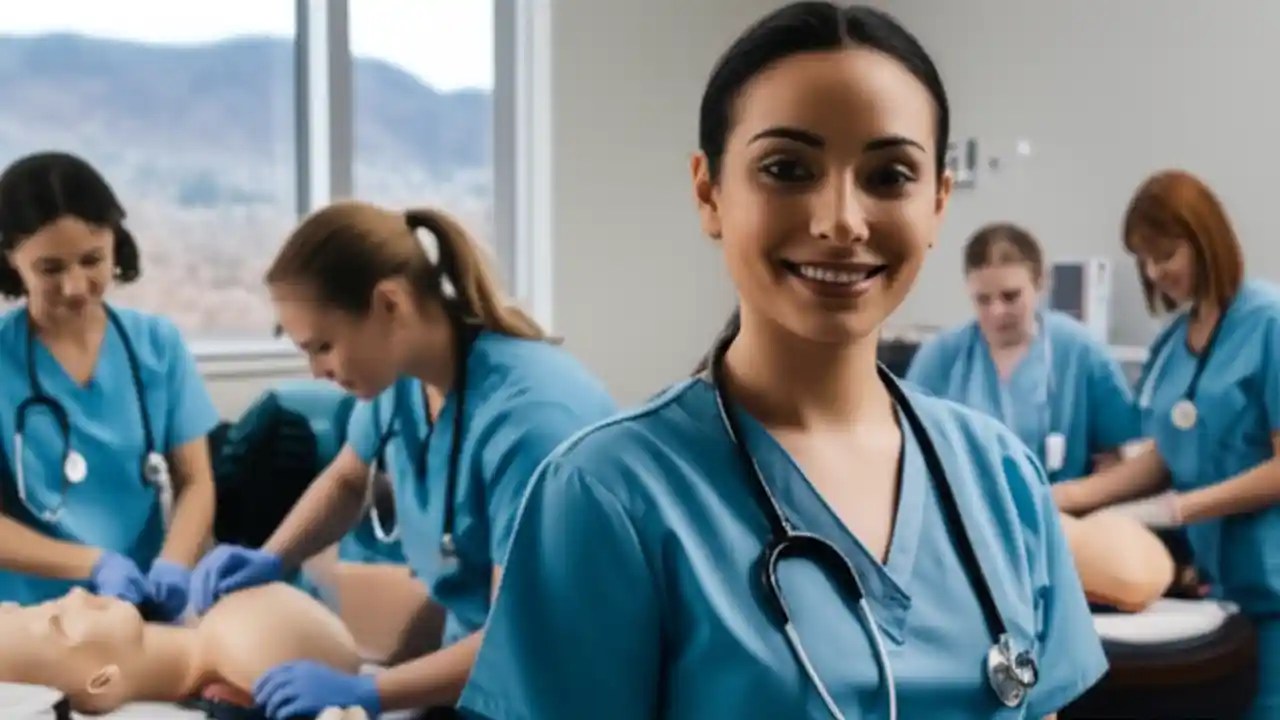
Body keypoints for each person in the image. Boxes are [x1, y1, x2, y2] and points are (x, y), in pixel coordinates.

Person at [458, 4, 1106, 719]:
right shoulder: (607, 496)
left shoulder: (1000, 479)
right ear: (709, 192)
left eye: (889, 176)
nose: (841, 221)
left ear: (939, 202)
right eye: (787, 169)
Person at [186, 200, 617, 718]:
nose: (317, 370)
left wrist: (369, 693)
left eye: (324, 346)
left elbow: (517, 638)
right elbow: (347, 479)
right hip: (471, 683)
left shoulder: (531, 421)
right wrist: (275, 556)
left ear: (388, 303)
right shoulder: (404, 383)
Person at [1052, 168, 1280, 718]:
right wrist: (1070, 497)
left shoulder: (1268, 322)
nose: (1155, 272)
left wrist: (1183, 508)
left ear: (1205, 239)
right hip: (1217, 591)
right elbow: (1164, 455)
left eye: (1166, 254)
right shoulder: (1173, 344)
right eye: (1144, 260)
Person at [0, 152, 218, 620]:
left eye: (92, 260)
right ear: (10, 259)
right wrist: (93, 563)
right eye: (50, 269)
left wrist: (174, 565)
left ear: (116, 243)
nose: (76, 286)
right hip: (27, 617)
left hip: (138, 606)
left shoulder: (157, 345)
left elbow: (195, 481)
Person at [905, 222, 1140, 483]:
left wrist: (1071, 503)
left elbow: (1115, 455)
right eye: (983, 300)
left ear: (1041, 283)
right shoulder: (941, 358)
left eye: (1010, 297)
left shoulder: (1080, 352)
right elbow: (909, 449)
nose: (997, 312)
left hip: (1063, 516)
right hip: (962, 517)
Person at [0, 581, 361, 715]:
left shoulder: (237, 639)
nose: (75, 593)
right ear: (102, 682)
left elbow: (347, 668)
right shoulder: (240, 647)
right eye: (59, 621)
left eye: (48, 602)